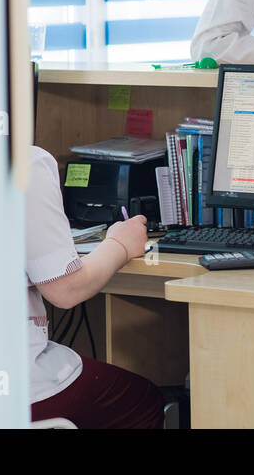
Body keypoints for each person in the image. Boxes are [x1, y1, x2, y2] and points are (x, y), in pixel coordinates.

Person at [26, 146, 163, 428]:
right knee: (142, 401)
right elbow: (66, 289)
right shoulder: (22, 162)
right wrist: (120, 244)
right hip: (8, 390)